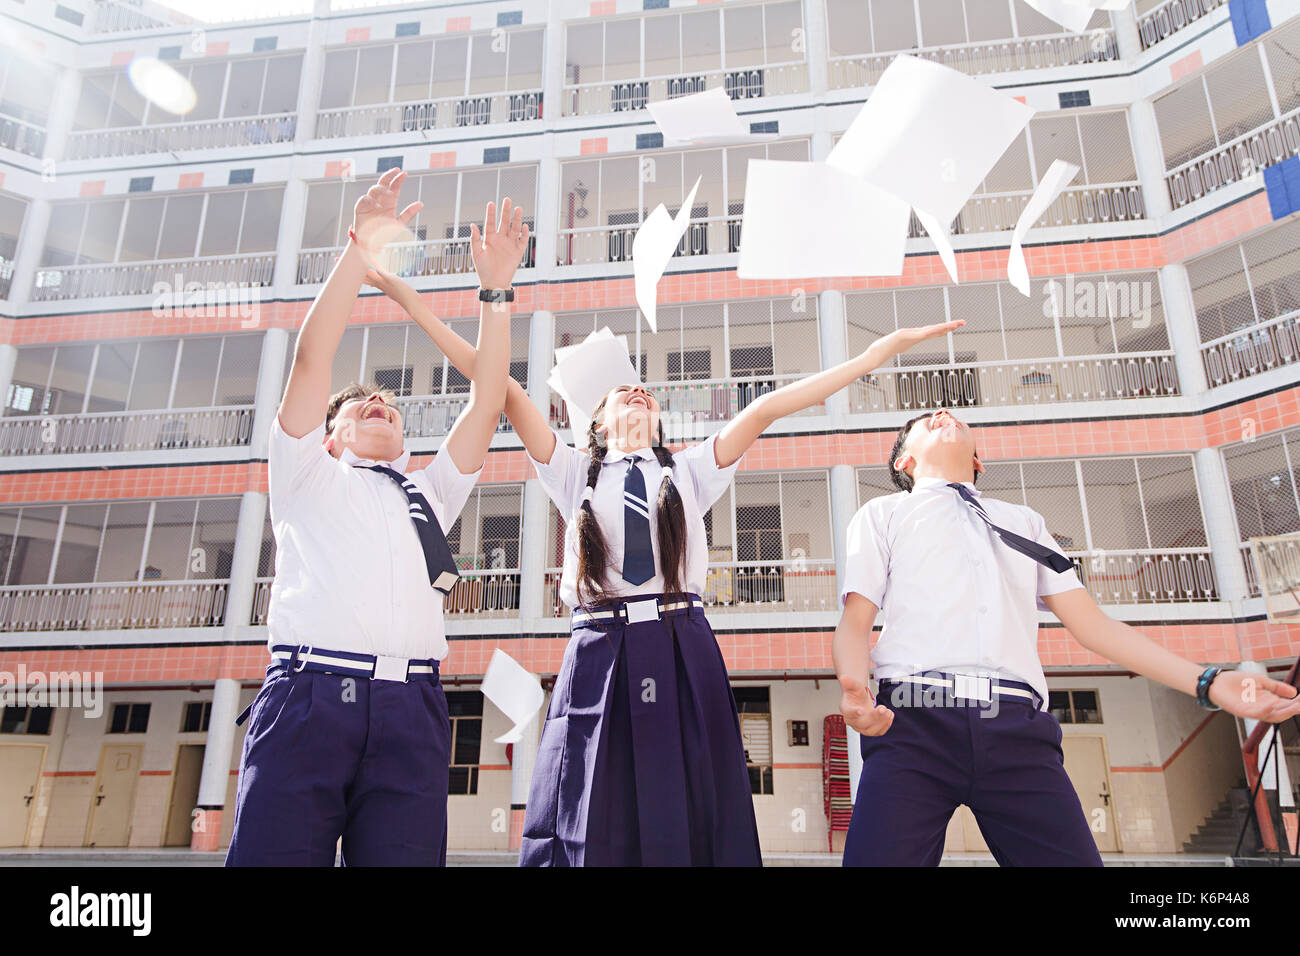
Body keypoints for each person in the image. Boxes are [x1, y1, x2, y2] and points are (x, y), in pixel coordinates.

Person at [364, 261, 962, 865]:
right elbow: (498, 385)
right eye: (624, 391)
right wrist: (408, 296)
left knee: (696, 794)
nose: (640, 391)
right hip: (600, 644)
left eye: (648, 393)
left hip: (681, 640)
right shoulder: (575, 474)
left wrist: (874, 354)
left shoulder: (688, 472)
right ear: (594, 424)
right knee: (589, 795)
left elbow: (769, 407)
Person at [834, 407, 1300, 867]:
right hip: (913, 723)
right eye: (922, 421)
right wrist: (854, 686)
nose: (941, 412)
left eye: (952, 415)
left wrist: (1210, 682)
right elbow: (857, 620)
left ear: (979, 462)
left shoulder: (1025, 522)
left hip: (1016, 727)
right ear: (903, 463)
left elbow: (1094, 627)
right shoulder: (883, 514)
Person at [224, 170, 531, 866]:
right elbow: (312, 358)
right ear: (326, 436)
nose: (378, 408)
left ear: (407, 439)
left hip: (413, 706)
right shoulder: (306, 475)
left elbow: (489, 401)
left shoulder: (427, 494)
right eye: (357, 408)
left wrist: (496, 292)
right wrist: (358, 254)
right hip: (308, 697)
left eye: (390, 408)